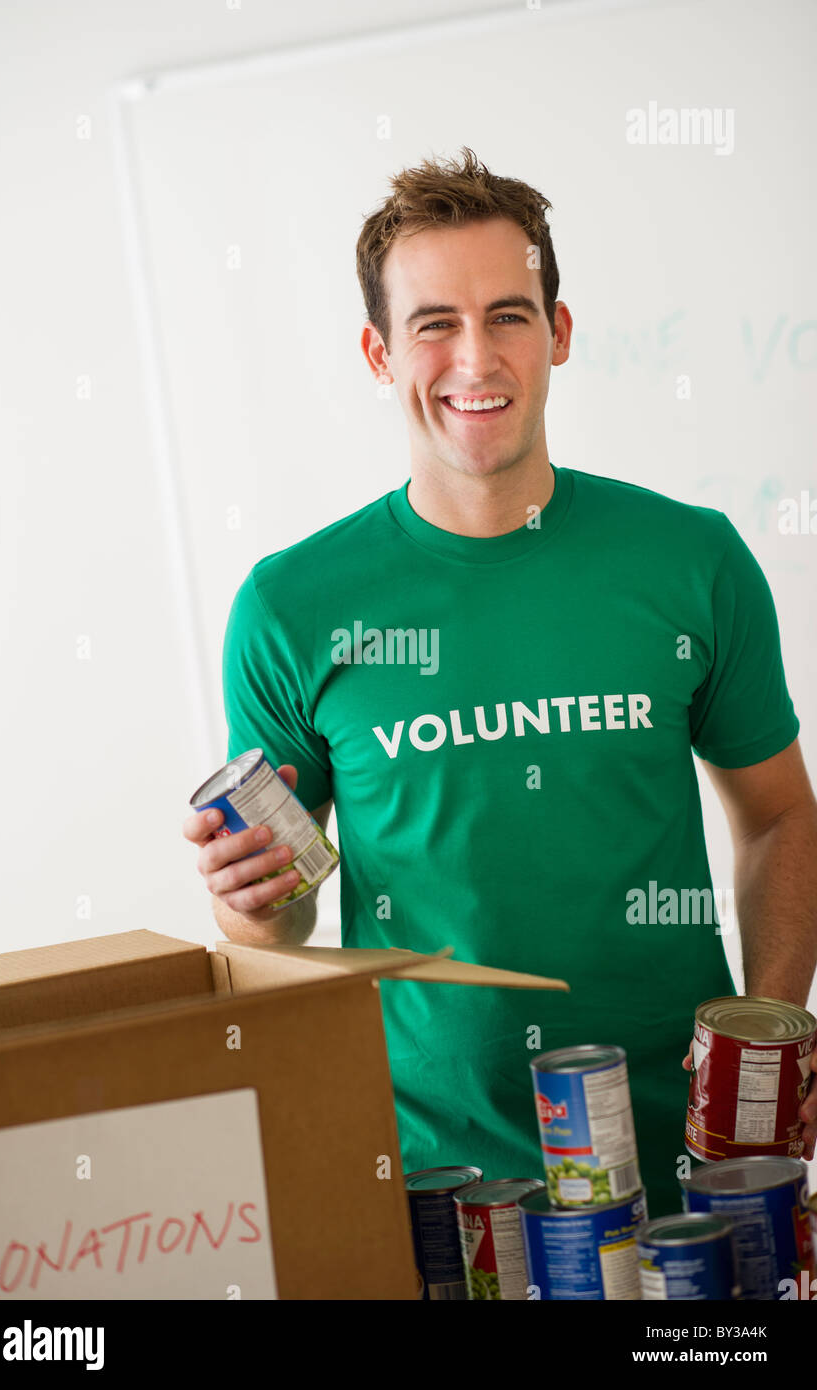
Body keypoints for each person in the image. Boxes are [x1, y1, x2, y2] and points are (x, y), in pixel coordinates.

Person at [184, 147, 817, 1219]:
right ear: (381, 353)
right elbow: (282, 930)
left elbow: (777, 816)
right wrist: (248, 906)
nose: (475, 357)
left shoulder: (691, 561)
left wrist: (758, 1048)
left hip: (691, 1170)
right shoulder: (291, 604)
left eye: (510, 314)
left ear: (558, 333)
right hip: (440, 1180)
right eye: (434, 323)